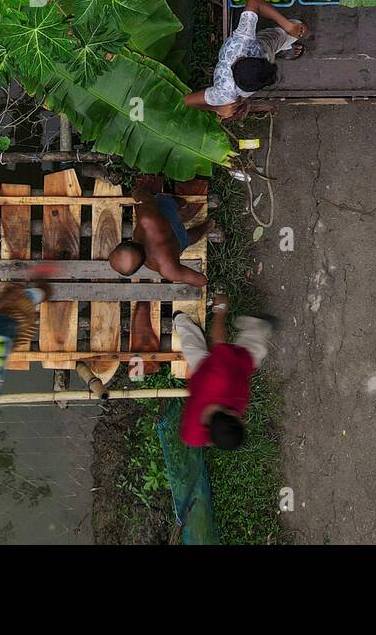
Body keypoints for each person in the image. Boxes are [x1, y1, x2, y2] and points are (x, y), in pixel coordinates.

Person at [185, 0, 310, 121]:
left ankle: (281, 47)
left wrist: (288, 26)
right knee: (231, 111)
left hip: (265, 44)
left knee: (300, 28)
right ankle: (282, 50)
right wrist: (217, 109)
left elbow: (254, 1)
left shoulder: (242, 42)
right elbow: (187, 101)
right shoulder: (225, 93)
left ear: (241, 58)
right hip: (262, 52)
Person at [176, 296, 277, 449]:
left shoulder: (225, 386)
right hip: (203, 375)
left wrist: (220, 309)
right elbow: (187, 438)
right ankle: (180, 319)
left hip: (231, 367)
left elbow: (218, 341)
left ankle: (256, 324)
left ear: (232, 414)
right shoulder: (193, 435)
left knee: (252, 349)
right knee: (191, 347)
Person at [107, 179, 213, 287]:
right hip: (166, 218)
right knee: (163, 201)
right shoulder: (146, 221)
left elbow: (201, 281)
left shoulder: (166, 268)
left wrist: (175, 265)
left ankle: (208, 225)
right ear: (127, 241)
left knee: (187, 239)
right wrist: (137, 193)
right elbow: (148, 199)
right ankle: (183, 205)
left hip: (177, 244)